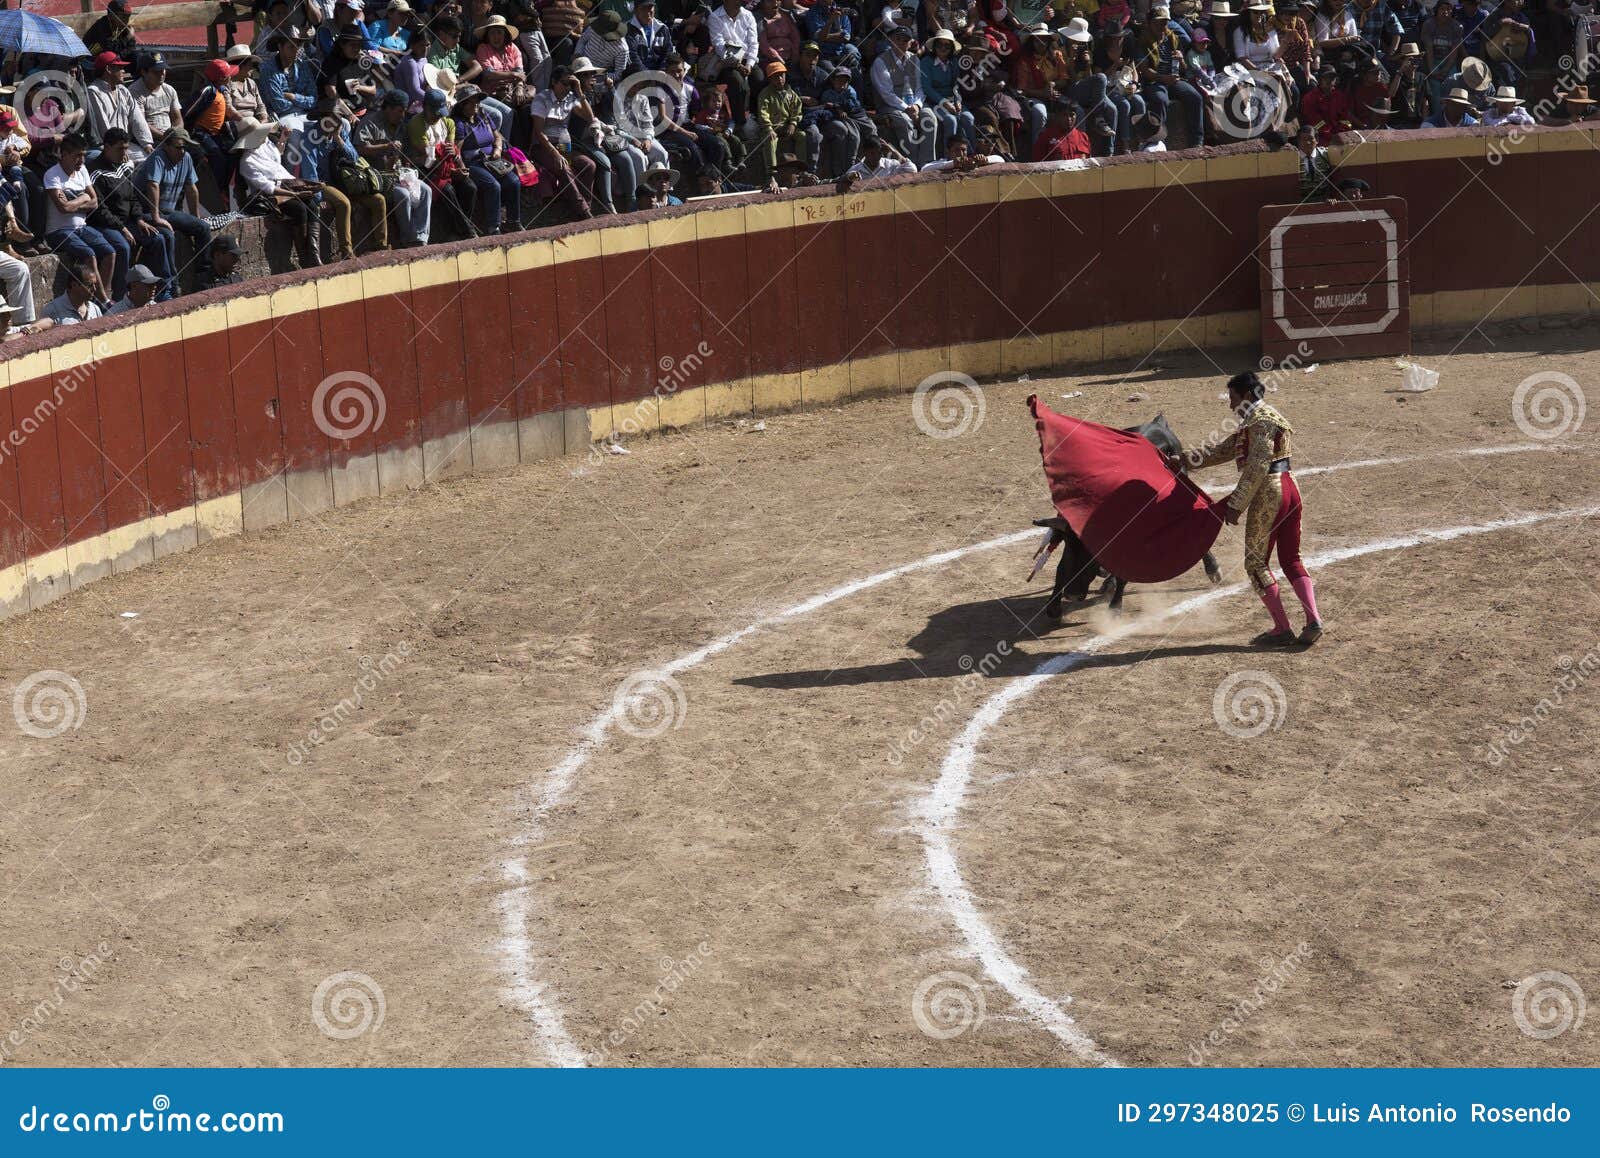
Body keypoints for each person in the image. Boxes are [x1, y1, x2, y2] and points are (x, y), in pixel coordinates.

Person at [1187, 371, 1322, 647]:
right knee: (1291, 558)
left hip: (1270, 491)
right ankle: (1313, 620)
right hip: (1290, 488)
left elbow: (1259, 464)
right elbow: (1225, 450)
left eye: (1233, 398)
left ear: (1247, 395)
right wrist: (1187, 460)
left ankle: (1282, 628)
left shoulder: (1260, 421)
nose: (1230, 405)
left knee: (1256, 563)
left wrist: (1236, 503)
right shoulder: (1262, 419)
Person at [90, 127, 170, 300]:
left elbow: (133, 198)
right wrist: (121, 228)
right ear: (107, 147)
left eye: (126, 148)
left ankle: (163, 290)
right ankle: (121, 297)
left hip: (129, 222)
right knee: (123, 247)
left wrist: (139, 219)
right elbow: (100, 209)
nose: (124, 153)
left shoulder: (123, 168)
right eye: (120, 149)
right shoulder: (95, 171)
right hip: (106, 225)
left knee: (157, 238)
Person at [236, 119, 323, 267]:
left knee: (313, 204)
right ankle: (304, 257)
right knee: (299, 209)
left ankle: (313, 254)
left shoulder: (265, 145)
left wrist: (283, 140)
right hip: (273, 195)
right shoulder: (247, 163)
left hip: (289, 184)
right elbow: (268, 188)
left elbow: (278, 158)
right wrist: (295, 195)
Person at [44, 133, 116, 302]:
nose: (82, 160)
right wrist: (83, 198)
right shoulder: (52, 175)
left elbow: (95, 202)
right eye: (77, 155)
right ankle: (104, 302)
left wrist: (76, 203)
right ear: (64, 154)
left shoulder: (82, 170)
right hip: (59, 231)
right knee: (89, 254)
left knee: (110, 252)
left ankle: (100, 297)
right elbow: (63, 208)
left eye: (83, 154)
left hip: (81, 227)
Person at [141, 128, 213, 293]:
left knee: (203, 228)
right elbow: (153, 185)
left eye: (184, 147)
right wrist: (156, 217)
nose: (182, 151)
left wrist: (196, 217)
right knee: (167, 235)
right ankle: (173, 285)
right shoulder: (157, 158)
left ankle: (204, 276)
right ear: (166, 145)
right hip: (147, 212)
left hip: (170, 212)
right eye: (179, 147)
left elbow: (191, 188)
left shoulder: (186, 158)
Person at [356, 89, 433, 244]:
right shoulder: (370, 122)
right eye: (399, 111)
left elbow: (408, 155)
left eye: (404, 112)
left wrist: (423, 157)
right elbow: (358, 148)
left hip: (398, 174)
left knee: (426, 190)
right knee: (403, 195)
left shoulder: (401, 126)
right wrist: (385, 147)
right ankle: (408, 238)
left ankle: (420, 238)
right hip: (377, 177)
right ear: (388, 108)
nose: (402, 115)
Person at [451, 85, 523, 234]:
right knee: (493, 186)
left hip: (492, 159)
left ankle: (513, 221)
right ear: (463, 105)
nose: (477, 104)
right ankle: (493, 226)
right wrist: (462, 167)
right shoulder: (459, 124)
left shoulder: (482, 115)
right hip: (474, 162)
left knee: (513, 181)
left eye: (477, 101)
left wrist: (497, 149)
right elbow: (456, 150)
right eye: (472, 102)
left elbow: (497, 136)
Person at [872, 26, 934, 168]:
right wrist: (907, 108)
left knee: (930, 118)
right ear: (891, 40)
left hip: (914, 103)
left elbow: (919, 87)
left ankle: (926, 163)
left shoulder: (914, 59)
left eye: (905, 40)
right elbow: (886, 94)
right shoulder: (880, 62)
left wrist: (917, 106)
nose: (900, 43)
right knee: (905, 122)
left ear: (910, 43)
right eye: (897, 39)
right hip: (890, 106)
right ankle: (910, 164)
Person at [86, 50, 154, 158]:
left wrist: (146, 143)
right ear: (108, 69)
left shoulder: (123, 90)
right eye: (119, 68)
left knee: (149, 157)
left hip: (125, 145)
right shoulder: (94, 91)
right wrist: (117, 149)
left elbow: (136, 117)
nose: (123, 71)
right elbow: (103, 125)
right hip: (106, 147)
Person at [708, 0, 761, 125]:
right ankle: (740, 123)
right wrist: (738, 65)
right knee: (738, 83)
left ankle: (758, 119)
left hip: (747, 60)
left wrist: (749, 64)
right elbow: (719, 46)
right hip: (726, 63)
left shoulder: (748, 15)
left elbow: (753, 43)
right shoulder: (715, 17)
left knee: (760, 80)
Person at [755, 60, 810, 179]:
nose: (779, 79)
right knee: (770, 140)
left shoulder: (790, 92)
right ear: (770, 79)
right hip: (772, 127)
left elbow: (797, 108)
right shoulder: (765, 94)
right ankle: (772, 173)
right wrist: (769, 128)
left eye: (781, 75)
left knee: (802, 136)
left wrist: (793, 123)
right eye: (775, 77)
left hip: (787, 126)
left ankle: (801, 170)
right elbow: (763, 112)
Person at [43, 256, 106, 326]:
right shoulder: (52, 310)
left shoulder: (95, 309)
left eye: (95, 285)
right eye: (89, 285)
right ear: (74, 285)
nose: (94, 289)